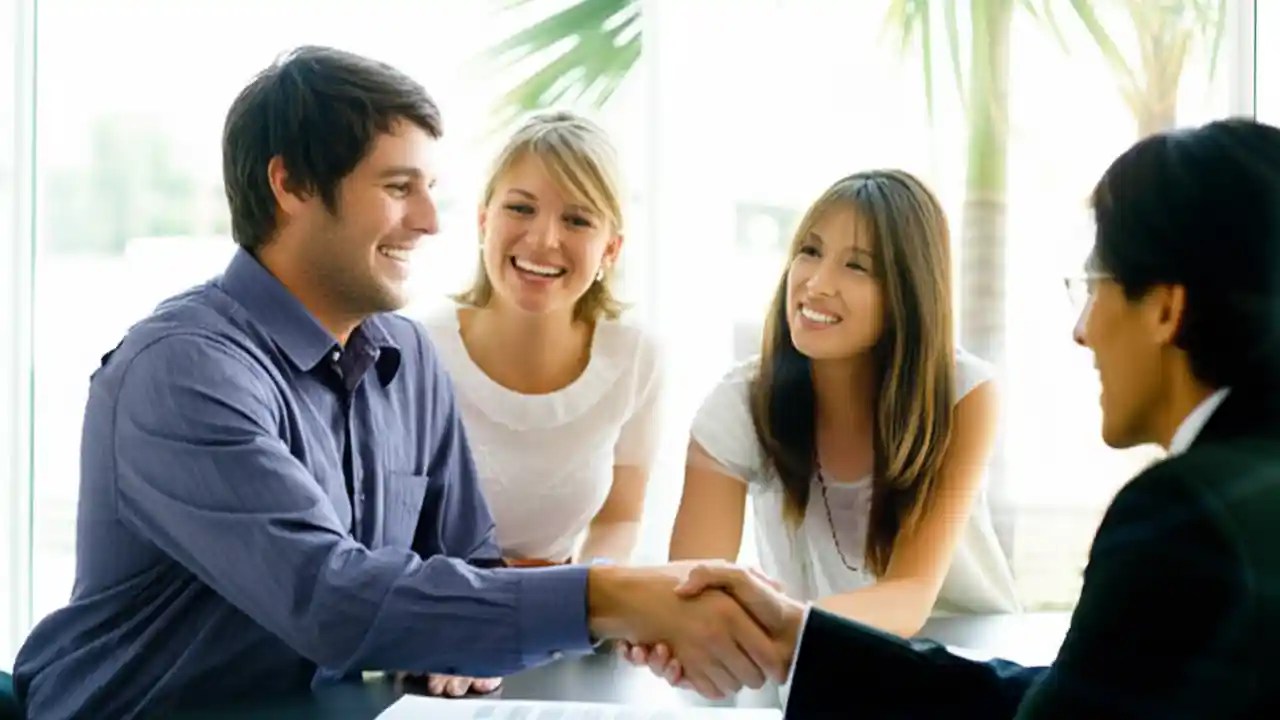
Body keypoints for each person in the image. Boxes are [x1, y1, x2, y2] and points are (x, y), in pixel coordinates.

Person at [10, 46, 788, 720]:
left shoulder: (404, 357)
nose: (430, 221)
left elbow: (469, 563)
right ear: (291, 185)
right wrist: (619, 598)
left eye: (429, 189)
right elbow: (328, 597)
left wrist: (460, 641)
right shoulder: (183, 372)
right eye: (397, 188)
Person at [656, 118, 1280, 719]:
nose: (1080, 330)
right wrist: (804, 635)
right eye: (809, 252)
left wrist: (796, 635)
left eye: (1093, 286)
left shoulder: (1182, 514)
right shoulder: (1249, 483)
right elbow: (1077, 694)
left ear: (1166, 311)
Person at [626, 170, 1016, 687]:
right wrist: (685, 634)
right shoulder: (741, 404)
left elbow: (909, 597)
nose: (817, 282)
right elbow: (692, 590)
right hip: (813, 668)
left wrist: (771, 627)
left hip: (964, 671)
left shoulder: (963, 394)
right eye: (810, 252)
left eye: (856, 266)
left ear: (909, 291)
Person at [415, 110, 662, 698]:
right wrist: (459, 627)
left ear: (611, 248)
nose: (544, 239)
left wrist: (590, 601)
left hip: (558, 632)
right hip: (435, 631)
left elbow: (620, 516)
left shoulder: (636, 357)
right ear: (482, 220)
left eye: (577, 219)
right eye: (520, 208)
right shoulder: (416, 347)